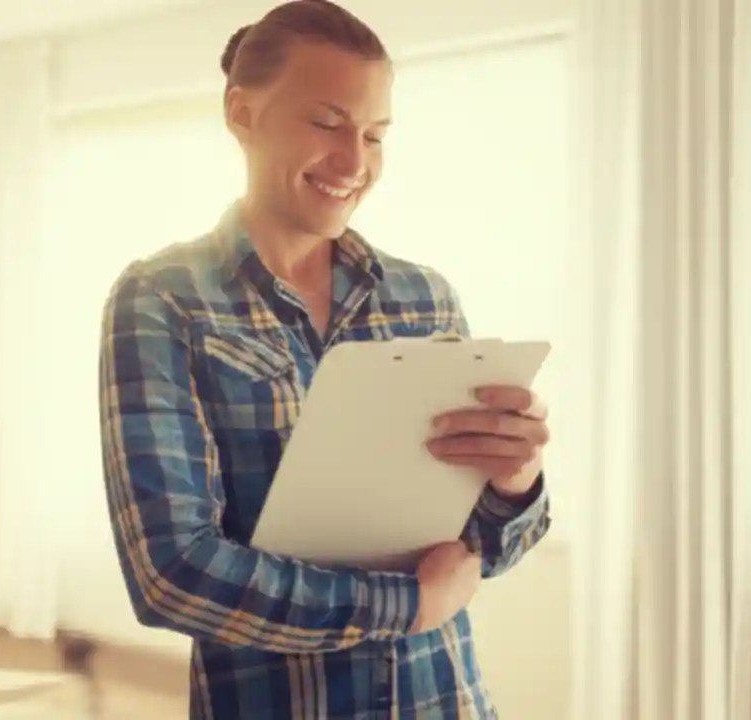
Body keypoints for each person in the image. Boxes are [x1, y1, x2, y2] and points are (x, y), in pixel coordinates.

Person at [97, 1, 552, 717]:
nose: (355, 162)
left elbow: (473, 554)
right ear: (242, 114)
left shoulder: (426, 298)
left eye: (374, 135)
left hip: (444, 700)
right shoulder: (164, 300)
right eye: (328, 124)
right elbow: (174, 575)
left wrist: (517, 482)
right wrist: (406, 604)